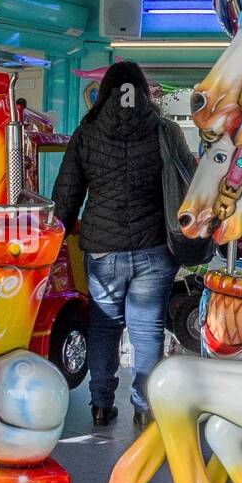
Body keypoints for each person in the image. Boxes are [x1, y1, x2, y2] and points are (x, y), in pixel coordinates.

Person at [52, 60, 193, 428]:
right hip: (154, 247)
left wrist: (57, 234)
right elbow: (189, 181)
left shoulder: (87, 132)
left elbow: (67, 191)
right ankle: (144, 406)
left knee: (104, 326)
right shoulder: (164, 131)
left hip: (102, 248)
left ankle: (100, 404)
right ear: (143, 91)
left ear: (106, 91)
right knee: (146, 329)